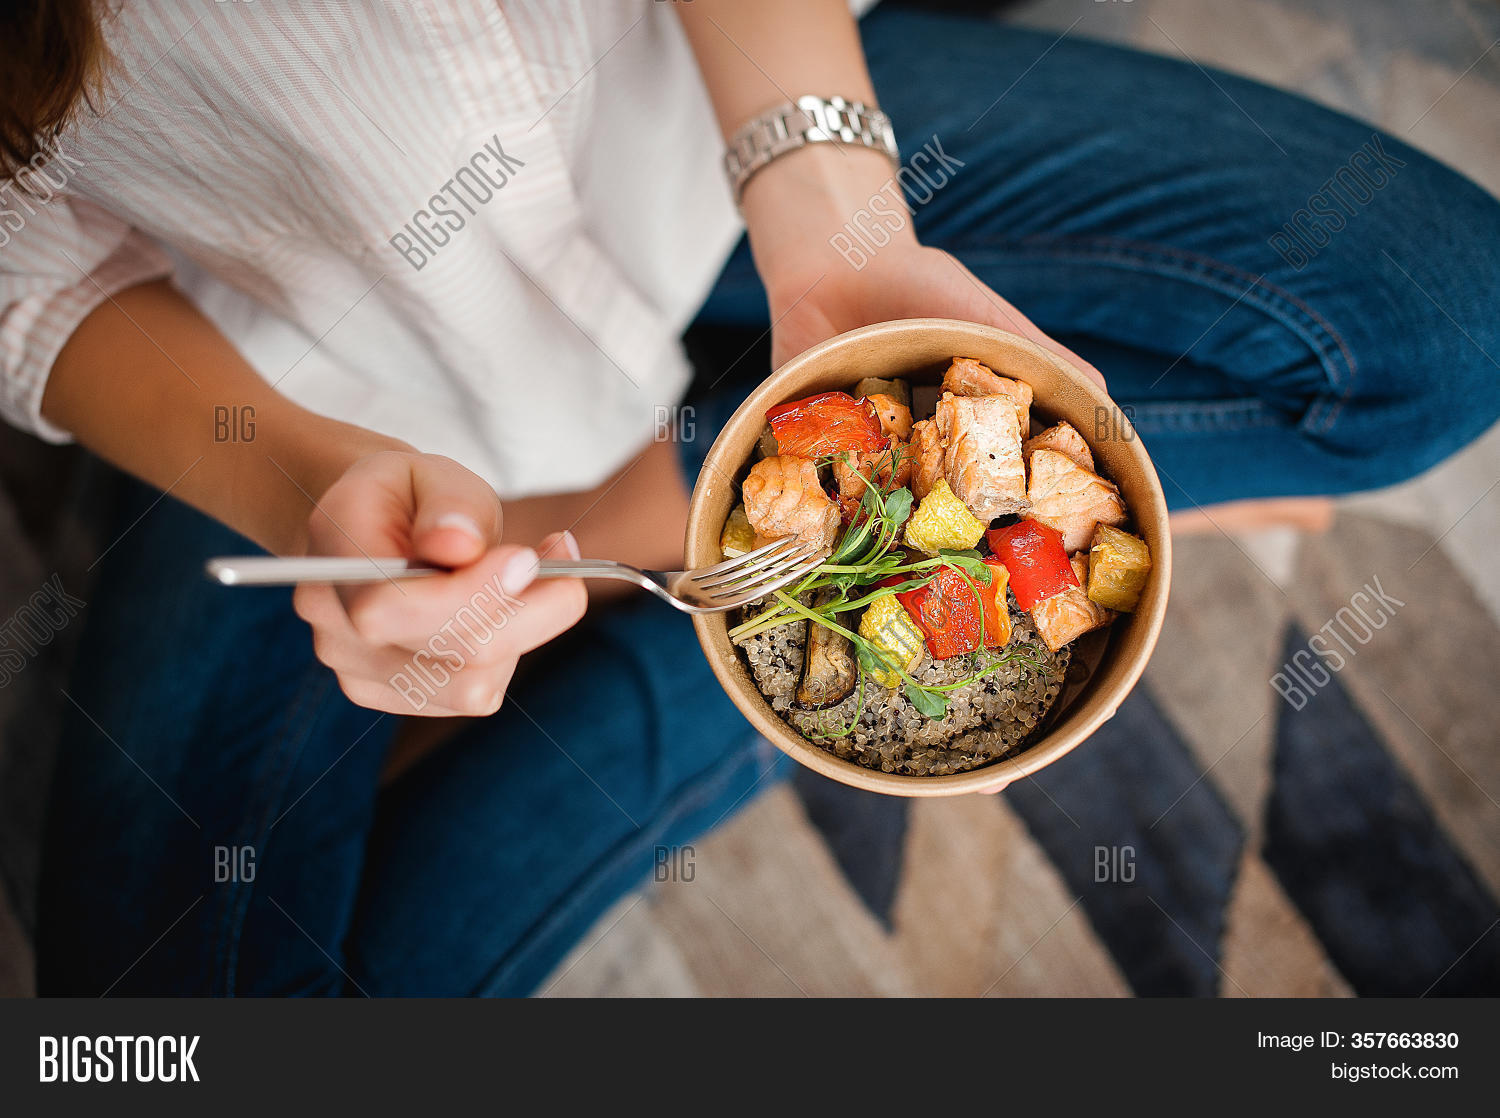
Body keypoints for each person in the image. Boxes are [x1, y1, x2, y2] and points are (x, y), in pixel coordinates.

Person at [3, 1, 1495, 995]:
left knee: (1447, 323)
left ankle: (684, 561)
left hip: (721, 132)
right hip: (307, 367)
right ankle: (741, 623)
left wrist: (841, 227)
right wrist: (299, 484)